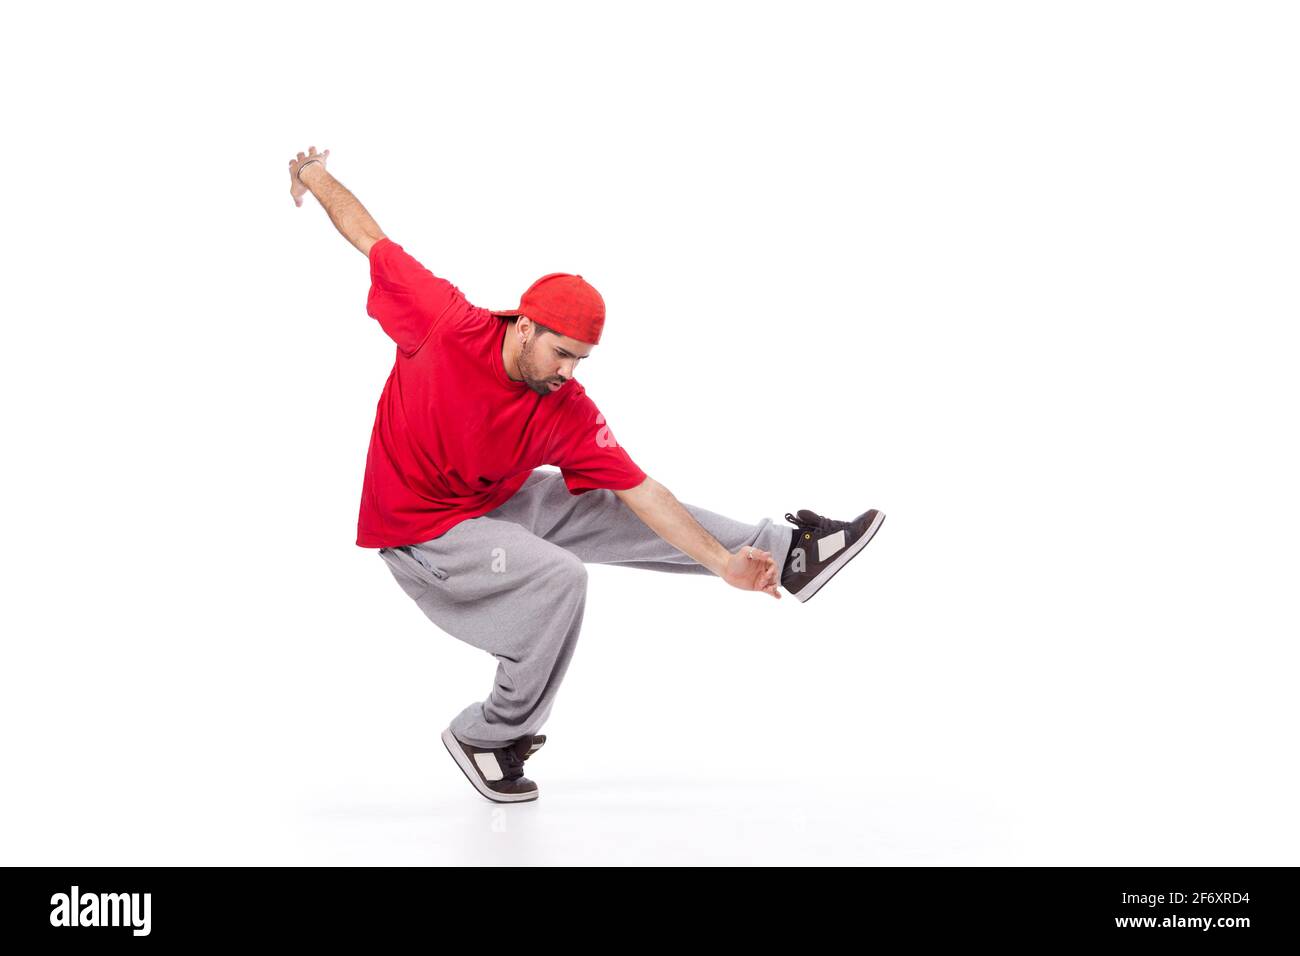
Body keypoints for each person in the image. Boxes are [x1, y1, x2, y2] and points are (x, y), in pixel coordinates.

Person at [289, 146, 886, 803]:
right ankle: (489, 734)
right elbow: (369, 238)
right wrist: (315, 176)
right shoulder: (441, 323)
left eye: (582, 359)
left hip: (492, 500)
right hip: (419, 528)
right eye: (562, 353)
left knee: (614, 505)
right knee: (556, 576)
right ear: (523, 327)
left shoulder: (563, 407)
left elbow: (644, 494)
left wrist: (723, 564)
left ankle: (791, 555)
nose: (569, 371)